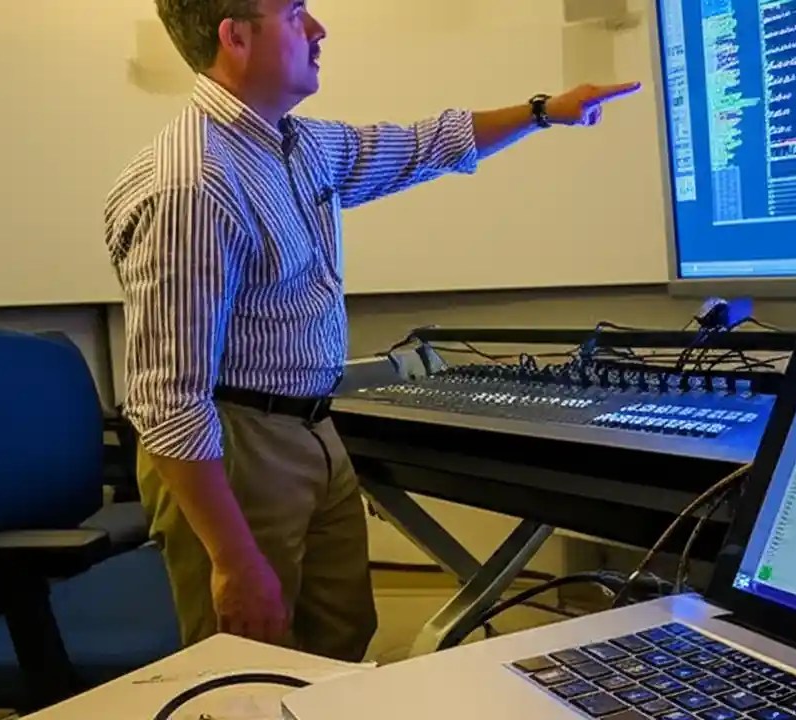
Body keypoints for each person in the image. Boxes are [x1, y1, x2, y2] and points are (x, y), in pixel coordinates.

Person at [103, 0, 641, 663]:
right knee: (252, 665)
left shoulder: (298, 145)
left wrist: (542, 112)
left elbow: (424, 143)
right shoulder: (192, 184)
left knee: (338, 644)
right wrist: (234, 561)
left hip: (313, 429)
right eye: (297, 14)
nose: (319, 30)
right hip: (236, 444)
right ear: (236, 37)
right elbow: (168, 405)